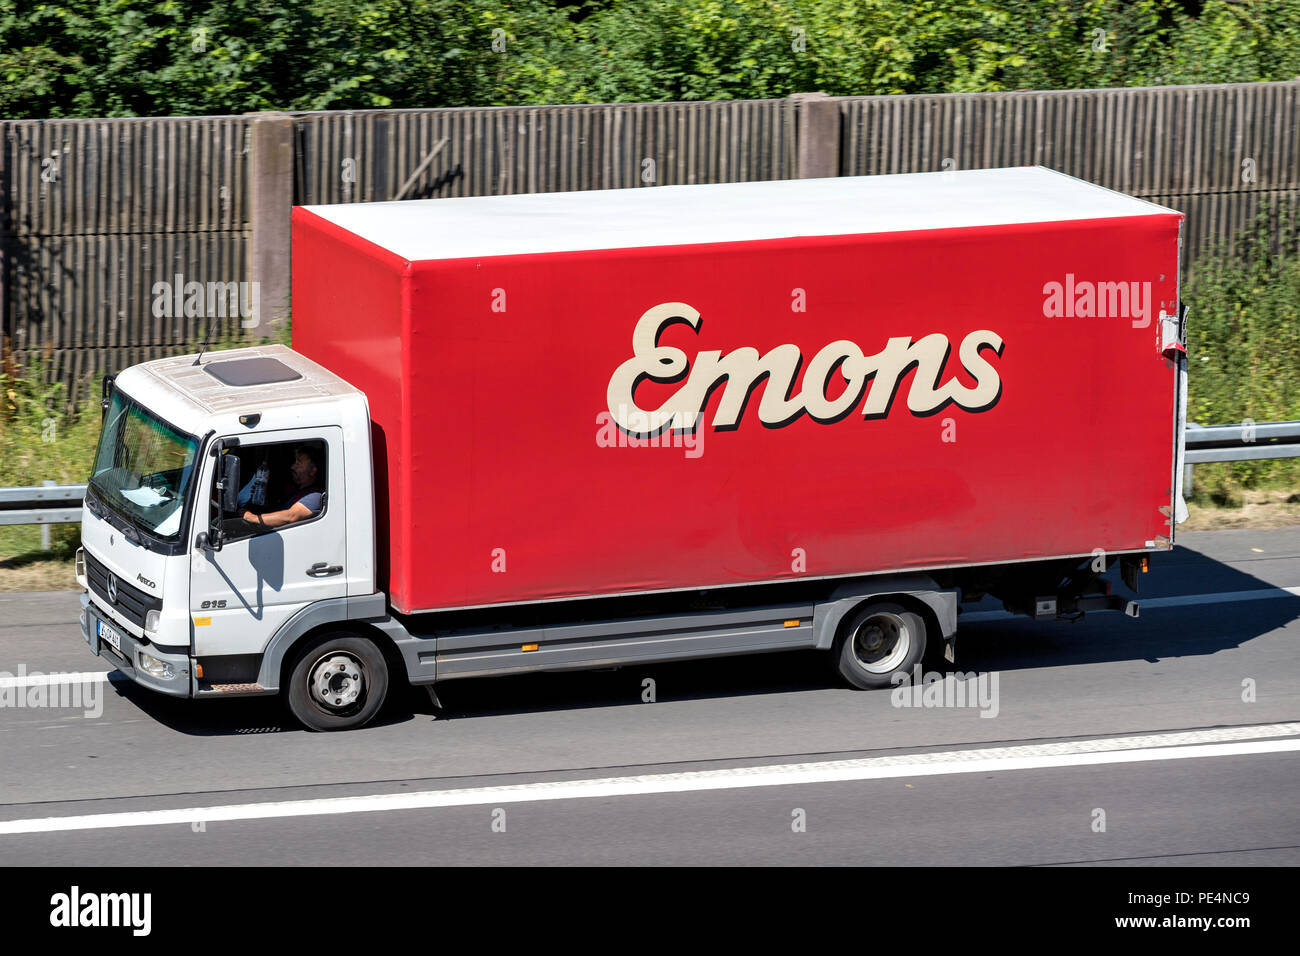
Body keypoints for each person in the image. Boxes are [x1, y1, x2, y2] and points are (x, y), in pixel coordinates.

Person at [222, 445, 325, 539]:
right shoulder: (295, 490)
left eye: (299, 463)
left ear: (313, 471)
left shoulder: (314, 496)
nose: (293, 467)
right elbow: (280, 509)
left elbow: (291, 516)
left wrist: (252, 517)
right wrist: (264, 501)